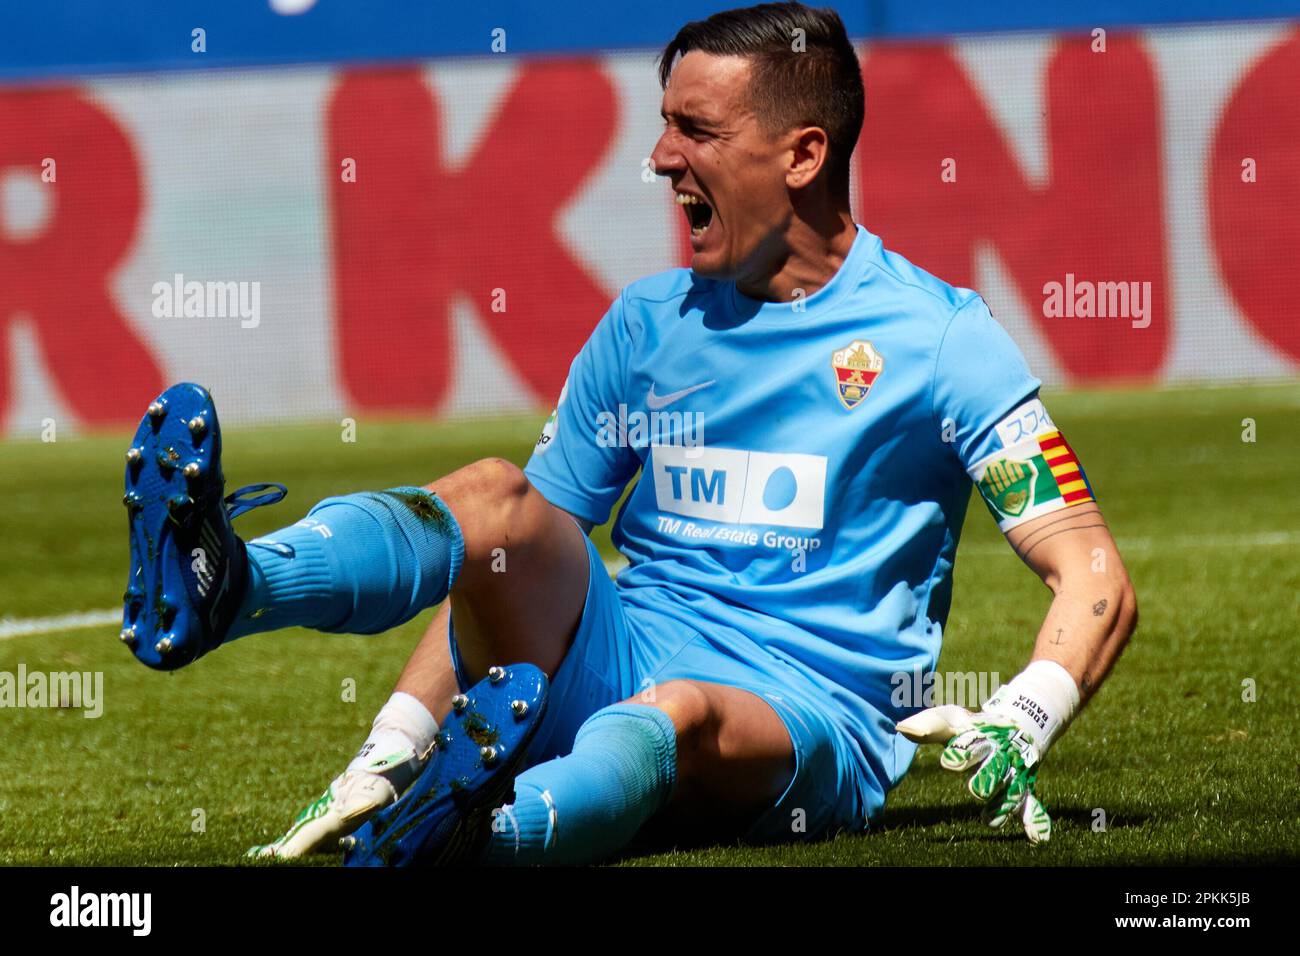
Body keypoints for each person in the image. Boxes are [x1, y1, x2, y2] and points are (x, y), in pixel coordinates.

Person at [119, 1, 1137, 865]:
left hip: (804, 713)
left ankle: (479, 835)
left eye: (694, 129)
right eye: (663, 125)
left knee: (675, 714)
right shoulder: (648, 324)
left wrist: (1026, 712)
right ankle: (230, 583)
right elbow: (500, 561)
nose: (659, 157)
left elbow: (1092, 570)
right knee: (489, 494)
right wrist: (386, 745)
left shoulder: (941, 339)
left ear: (802, 153)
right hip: (614, 643)